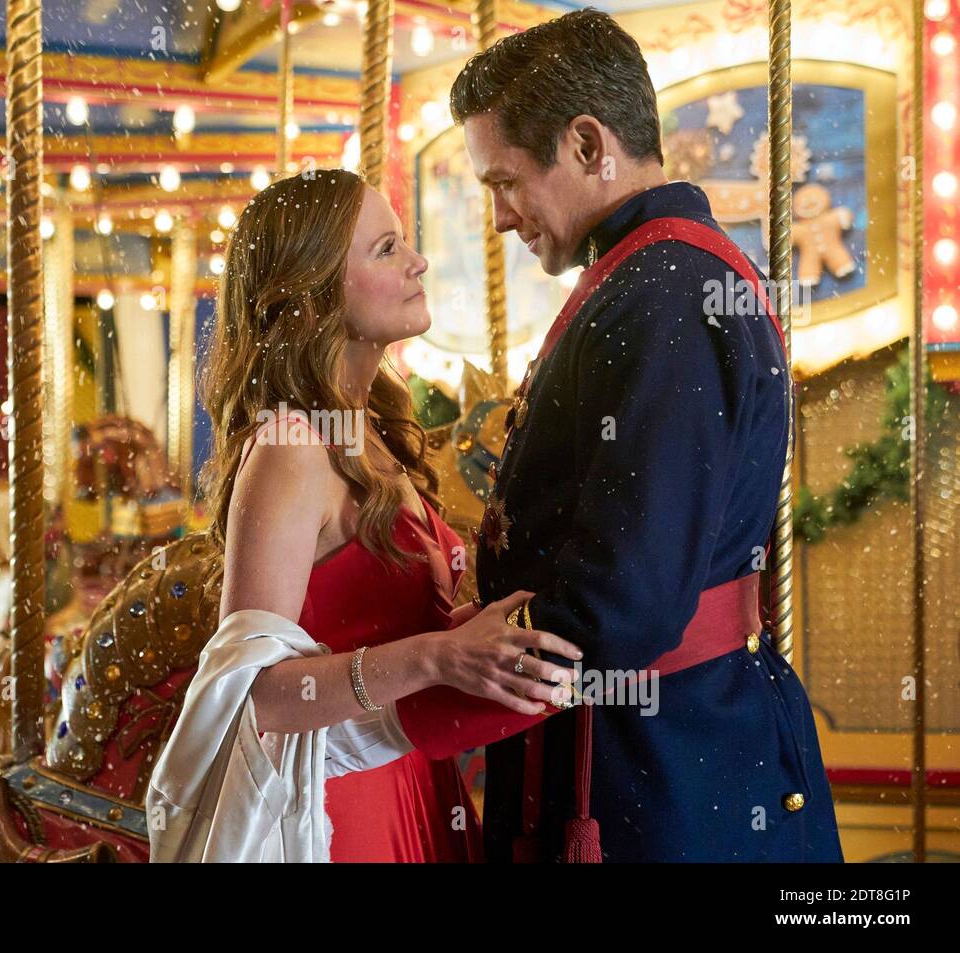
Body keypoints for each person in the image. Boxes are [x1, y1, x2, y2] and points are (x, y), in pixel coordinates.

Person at [396, 9, 842, 862]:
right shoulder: (653, 274)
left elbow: (623, 603)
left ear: (590, 145)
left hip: (658, 772)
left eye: (504, 182)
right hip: (661, 743)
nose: (500, 218)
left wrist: (409, 701)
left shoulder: (663, 292)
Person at [147, 170, 583, 862]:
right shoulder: (291, 448)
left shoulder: (370, 430)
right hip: (347, 807)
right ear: (314, 293)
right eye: (386, 249)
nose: (418, 262)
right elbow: (256, 695)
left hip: (414, 781)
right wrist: (438, 655)